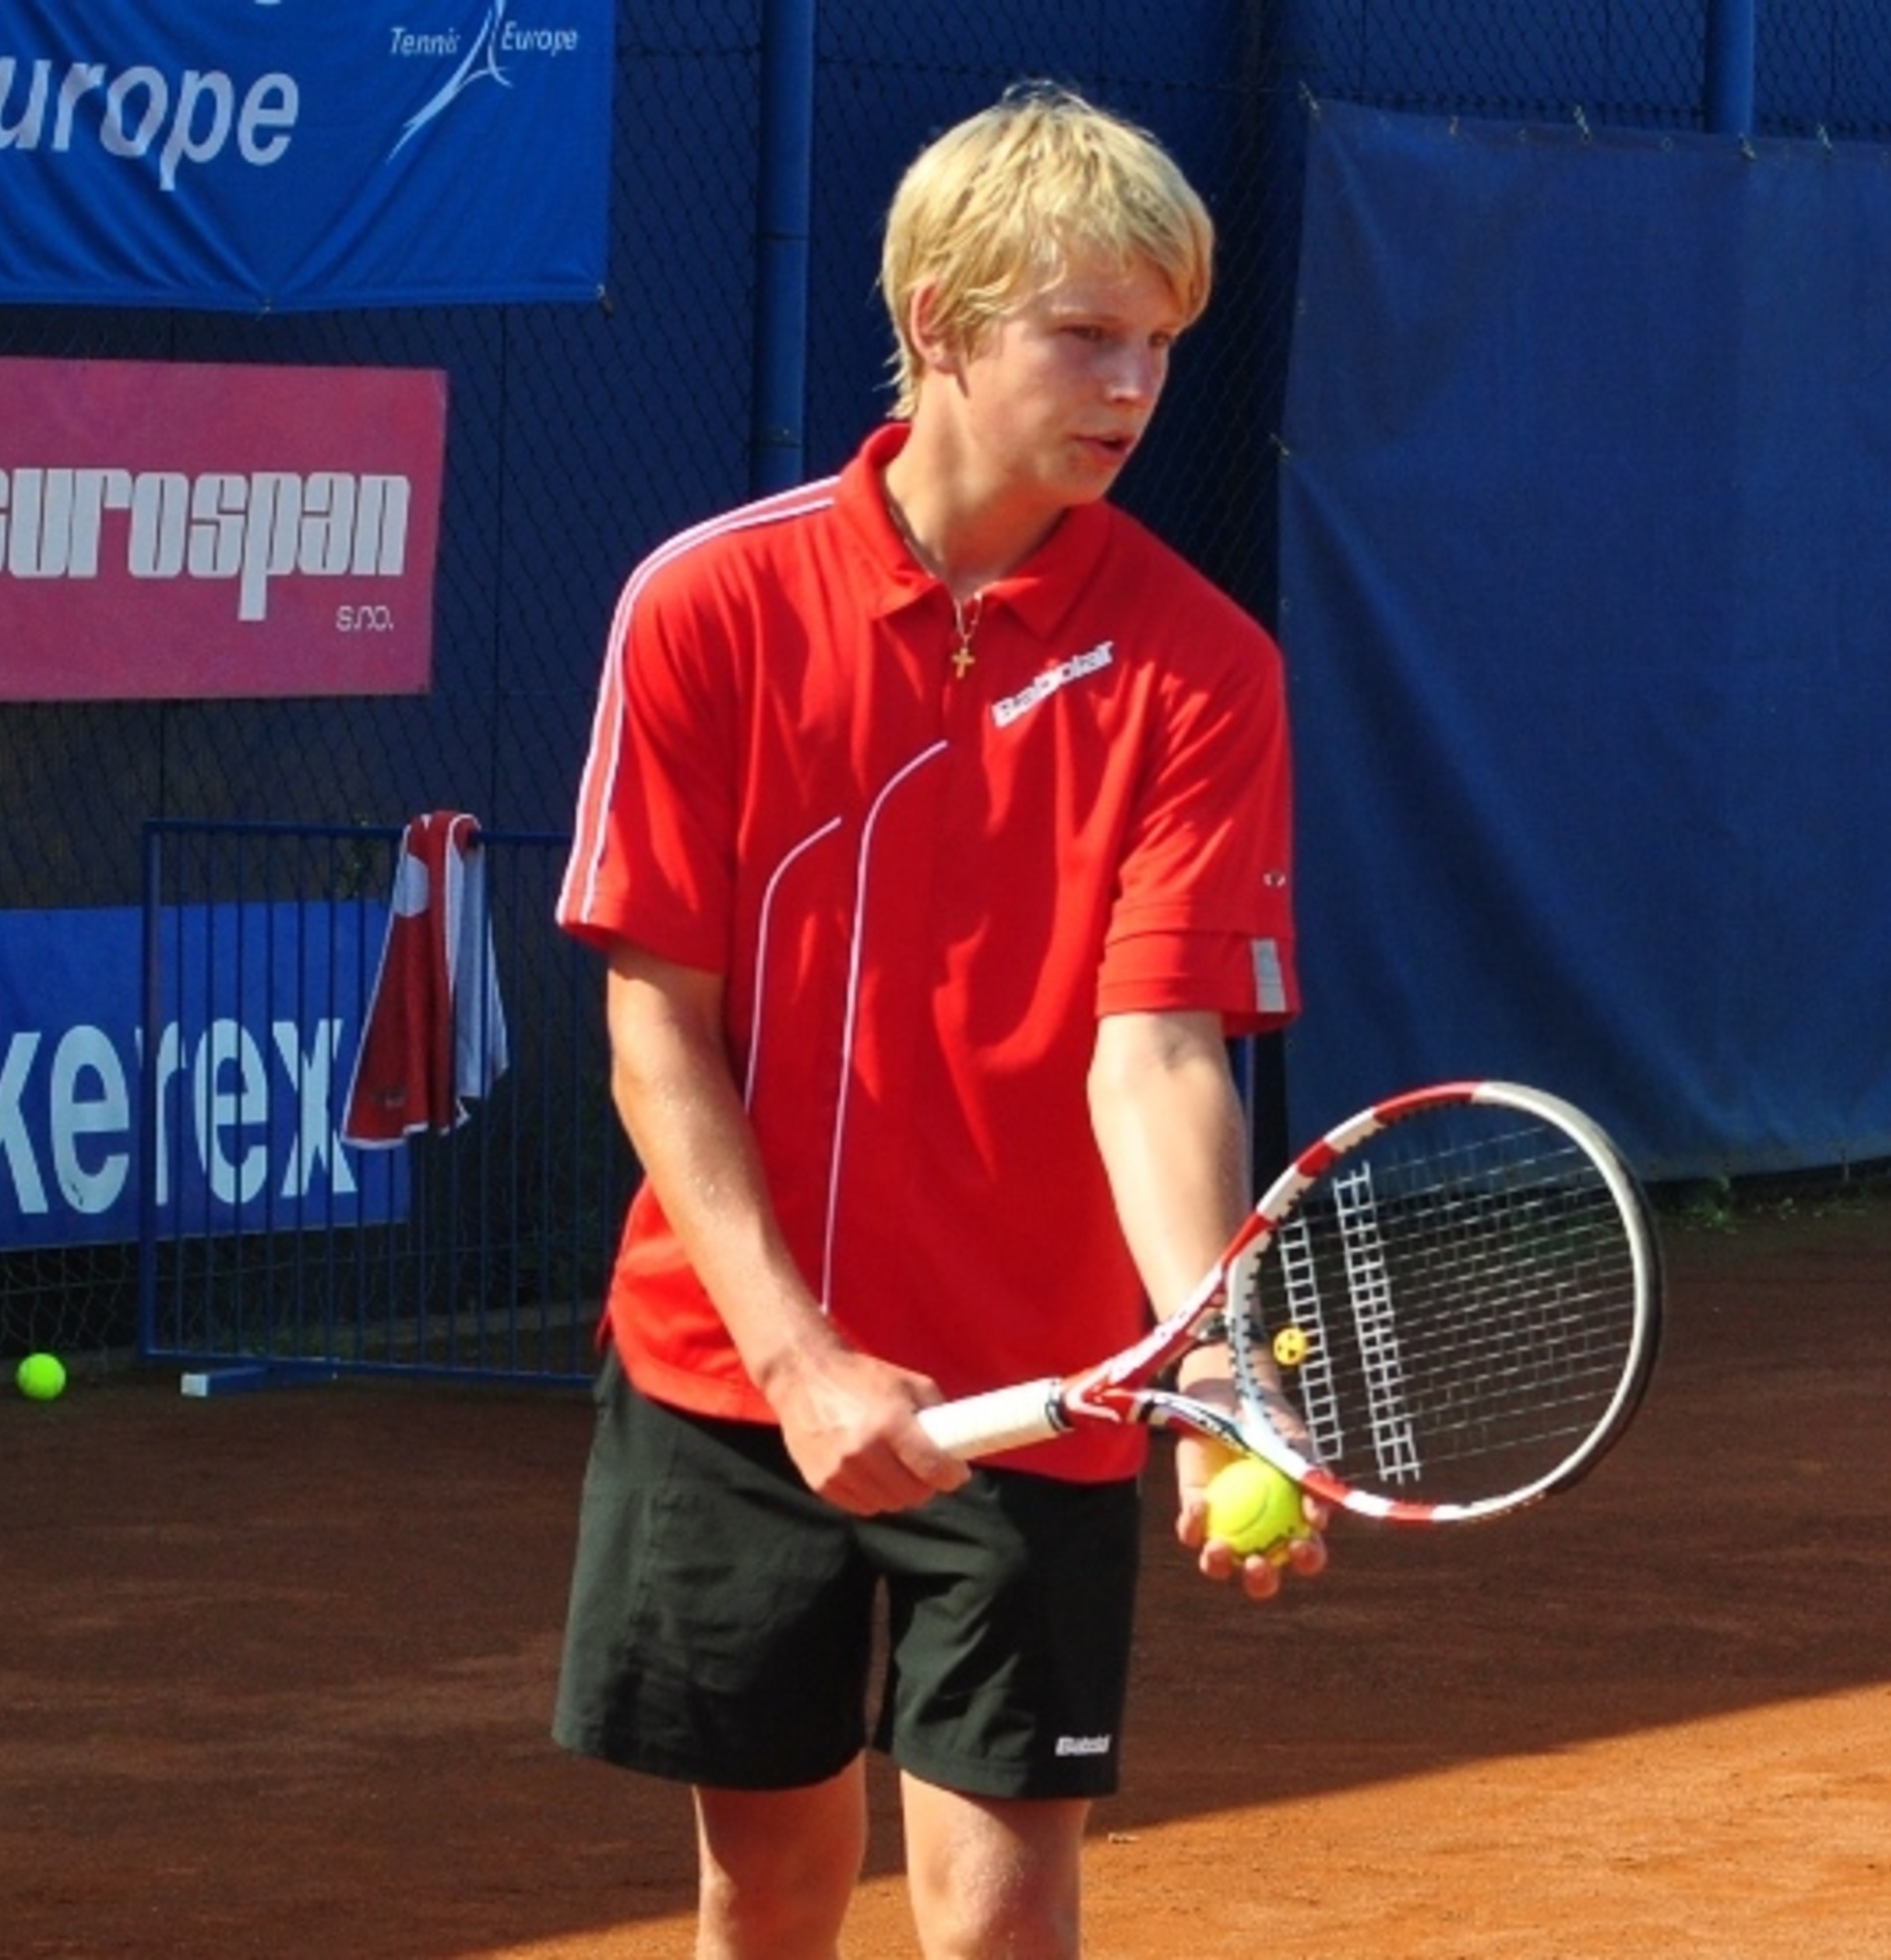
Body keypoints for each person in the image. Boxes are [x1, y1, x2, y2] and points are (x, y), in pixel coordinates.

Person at [552, 79, 1327, 1960]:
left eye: (1156, 341)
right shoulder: (709, 606)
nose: (1132, 384)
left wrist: (1209, 1354)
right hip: (737, 1375)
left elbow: (1156, 1045)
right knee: (771, 1881)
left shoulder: (1205, 666)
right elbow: (658, 1028)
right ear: (938, 329)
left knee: (1001, 1904)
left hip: (1039, 1394)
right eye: (1084, 334)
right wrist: (803, 1356)